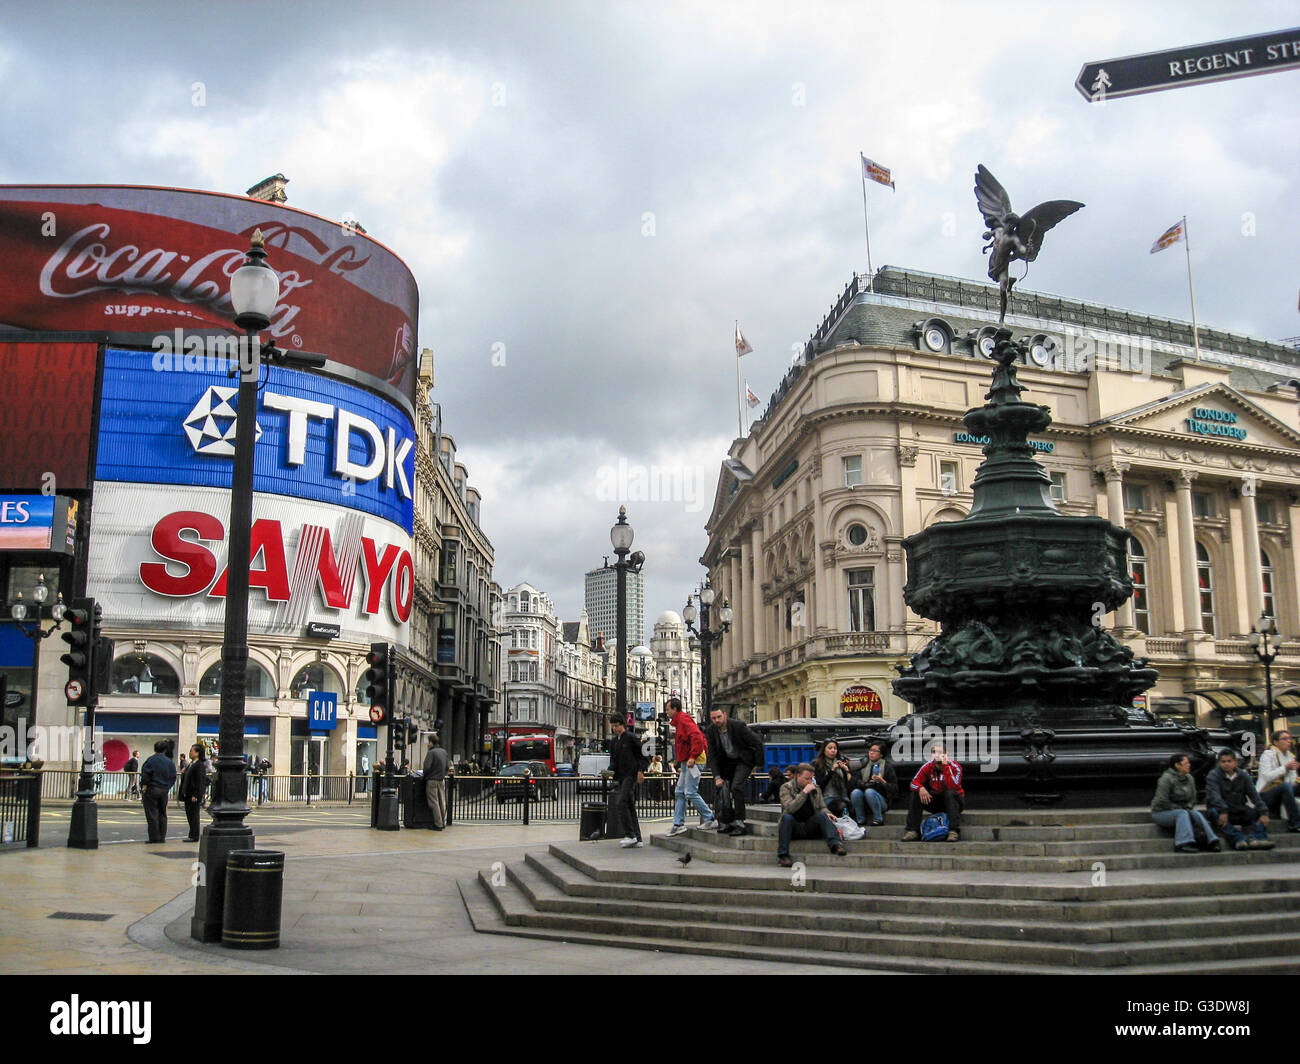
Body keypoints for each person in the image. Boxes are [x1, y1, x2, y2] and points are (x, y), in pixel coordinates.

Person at [704, 705, 764, 836]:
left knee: (736, 787)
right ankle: (728, 821)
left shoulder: (738, 726)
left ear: (725, 715)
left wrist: (758, 764)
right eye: (713, 718)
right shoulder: (711, 731)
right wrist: (717, 776)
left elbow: (757, 743)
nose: (716, 721)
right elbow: (712, 755)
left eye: (719, 717)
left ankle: (740, 822)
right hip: (727, 763)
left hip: (743, 760)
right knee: (724, 790)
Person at [776, 763, 847, 867]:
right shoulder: (786, 787)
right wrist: (804, 793)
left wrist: (828, 813)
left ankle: (836, 845)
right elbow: (790, 808)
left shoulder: (815, 788)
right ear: (798, 776)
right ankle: (783, 855)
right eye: (806, 779)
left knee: (822, 816)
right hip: (794, 826)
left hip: (809, 825)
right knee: (786, 818)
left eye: (811, 778)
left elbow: (822, 806)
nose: (809, 781)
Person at [665, 698, 717, 836]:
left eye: (668, 709)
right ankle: (678, 824)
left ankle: (710, 818)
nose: (666, 712)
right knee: (680, 792)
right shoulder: (681, 721)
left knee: (689, 792)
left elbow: (697, 737)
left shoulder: (683, 720)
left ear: (675, 709)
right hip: (688, 761)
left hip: (694, 761)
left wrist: (693, 756)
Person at [1206, 749, 1274, 851]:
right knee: (1214, 813)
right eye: (1223, 762)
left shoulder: (1243, 775)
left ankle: (1257, 838)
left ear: (1235, 762)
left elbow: (1254, 795)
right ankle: (1238, 839)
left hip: (1239, 809)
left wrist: (1264, 812)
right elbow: (1214, 795)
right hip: (1222, 810)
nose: (1226, 764)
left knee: (1258, 813)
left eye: (1229, 761)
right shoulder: (1213, 775)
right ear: (1219, 763)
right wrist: (1223, 810)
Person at [1151, 753, 1219, 853]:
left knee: (1196, 813)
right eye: (1186, 763)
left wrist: (1188, 806)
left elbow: (1193, 798)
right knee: (1182, 814)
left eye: (1189, 763)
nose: (1189, 765)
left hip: (1184, 810)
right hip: (1162, 812)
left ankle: (1212, 840)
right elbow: (1162, 800)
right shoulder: (1166, 779)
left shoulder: (1189, 778)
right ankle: (1183, 843)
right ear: (1177, 765)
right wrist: (1178, 808)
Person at [901, 742, 965, 842]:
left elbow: (953, 786)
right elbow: (913, 783)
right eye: (934, 752)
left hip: (954, 802)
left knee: (949, 793)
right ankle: (913, 830)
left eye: (940, 752)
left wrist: (945, 766)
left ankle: (953, 831)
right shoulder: (928, 766)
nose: (937, 755)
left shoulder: (955, 766)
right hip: (936, 801)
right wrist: (920, 788)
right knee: (915, 793)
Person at [608, 715, 649, 848]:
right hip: (621, 776)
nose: (615, 729)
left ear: (622, 725)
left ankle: (630, 835)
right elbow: (613, 761)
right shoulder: (613, 742)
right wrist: (608, 771)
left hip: (631, 775)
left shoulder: (631, 738)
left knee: (621, 802)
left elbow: (643, 756)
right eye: (613, 726)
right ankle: (638, 838)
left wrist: (641, 771)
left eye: (617, 726)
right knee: (630, 806)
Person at [1257, 730, 1300, 831]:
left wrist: (1297, 780)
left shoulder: (1290, 757)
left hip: (1284, 791)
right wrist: (1285, 768)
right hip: (1266, 793)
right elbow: (1267, 776)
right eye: (1285, 739)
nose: (1289, 741)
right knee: (1285, 786)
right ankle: (1295, 823)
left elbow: (1291, 783)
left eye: (1290, 738)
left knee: (1289, 786)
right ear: (1276, 742)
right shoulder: (1267, 755)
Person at [850, 742, 899, 826]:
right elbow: (854, 783)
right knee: (855, 792)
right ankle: (860, 819)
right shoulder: (864, 766)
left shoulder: (887, 767)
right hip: (864, 801)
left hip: (881, 802)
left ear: (881, 755)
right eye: (870, 750)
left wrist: (882, 781)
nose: (871, 753)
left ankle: (878, 819)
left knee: (869, 792)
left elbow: (895, 789)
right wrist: (863, 783)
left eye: (875, 751)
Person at [139, 740, 177, 843]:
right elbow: (173, 776)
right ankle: (162, 837)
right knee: (162, 813)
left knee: (152, 814)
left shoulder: (151, 760)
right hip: (164, 789)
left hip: (152, 788)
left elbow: (146, 774)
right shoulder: (169, 762)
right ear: (165, 749)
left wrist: (144, 786)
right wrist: (168, 786)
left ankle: (154, 837)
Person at [811, 739, 855, 819]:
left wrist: (847, 770)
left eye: (835, 748)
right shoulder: (818, 764)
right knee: (842, 806)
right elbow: (820, 784)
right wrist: (832, 771)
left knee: (849, 805)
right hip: (828, 797)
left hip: (843, 796)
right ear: (824, 750)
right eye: (830, 748)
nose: (833, 750)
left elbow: (850, 784)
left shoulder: (842, 762)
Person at [180, 743, 208, 842]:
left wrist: (196, 794)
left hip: (193, 795)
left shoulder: (199, 765)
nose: (190, 752)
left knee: (194, 815)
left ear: (197, 753)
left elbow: (200, 781)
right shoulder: (191, 764)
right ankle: (191, 834)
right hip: (188, 793)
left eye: (192, 751)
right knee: (189, 815)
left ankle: (194, 835)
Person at [423, 733, 449, 830]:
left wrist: (425, 776)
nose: (427, 744)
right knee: (442, 801)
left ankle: (438, 824)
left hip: (432, 780)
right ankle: (443, 822)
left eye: (428, 742)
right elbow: (447, 766)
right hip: (441, 779)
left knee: (434, 802)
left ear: (431, 742)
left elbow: (426, 767)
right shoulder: (444, 752)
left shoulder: (431, 753)